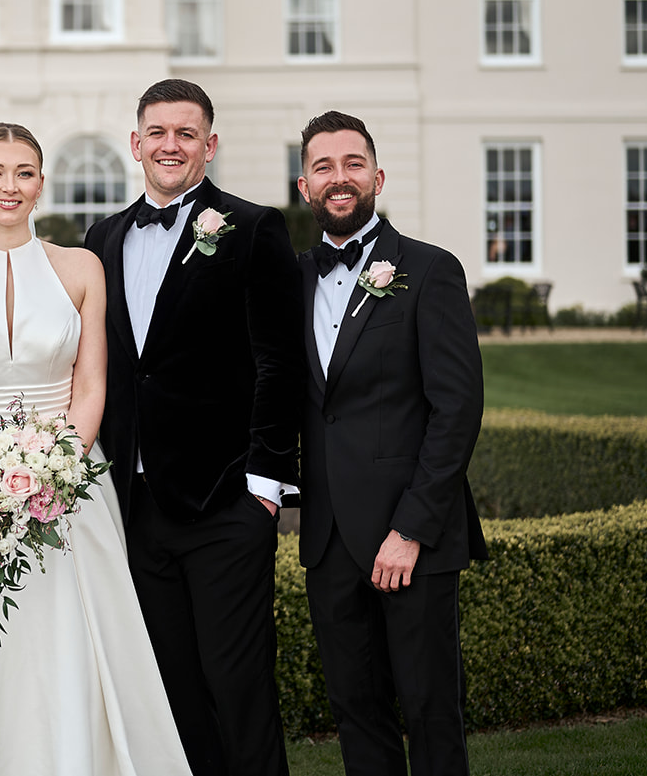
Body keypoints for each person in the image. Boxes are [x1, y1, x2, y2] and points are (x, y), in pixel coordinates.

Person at [0, 122, 193, 776]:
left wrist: (52, 470)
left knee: (67, 636)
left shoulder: (81, 268)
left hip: (69, 483)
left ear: (41, 184)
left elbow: (92, 385)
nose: (9, 186)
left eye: (23, 172)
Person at [84, 79, 304, 776]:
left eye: (186, 133)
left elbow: (280, 362)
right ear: (136, 143)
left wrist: (265, 485)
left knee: (238, 686)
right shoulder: (102, 239)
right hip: (135, 506)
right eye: (158, 131)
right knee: (170, 688)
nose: (170, 145)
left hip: (224, 502)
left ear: (210, 145)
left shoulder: (254, 227)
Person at [294, 110, 488, 776]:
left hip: (411, 538)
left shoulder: (430, 270)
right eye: (323, 166)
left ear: (377, 178)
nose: (339, 177)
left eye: (353, 164)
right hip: (328, 540)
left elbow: (456, 410)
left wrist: (411, 529)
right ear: (304, 186)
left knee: (431, 710)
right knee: (356, 710)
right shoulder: (292, 279)